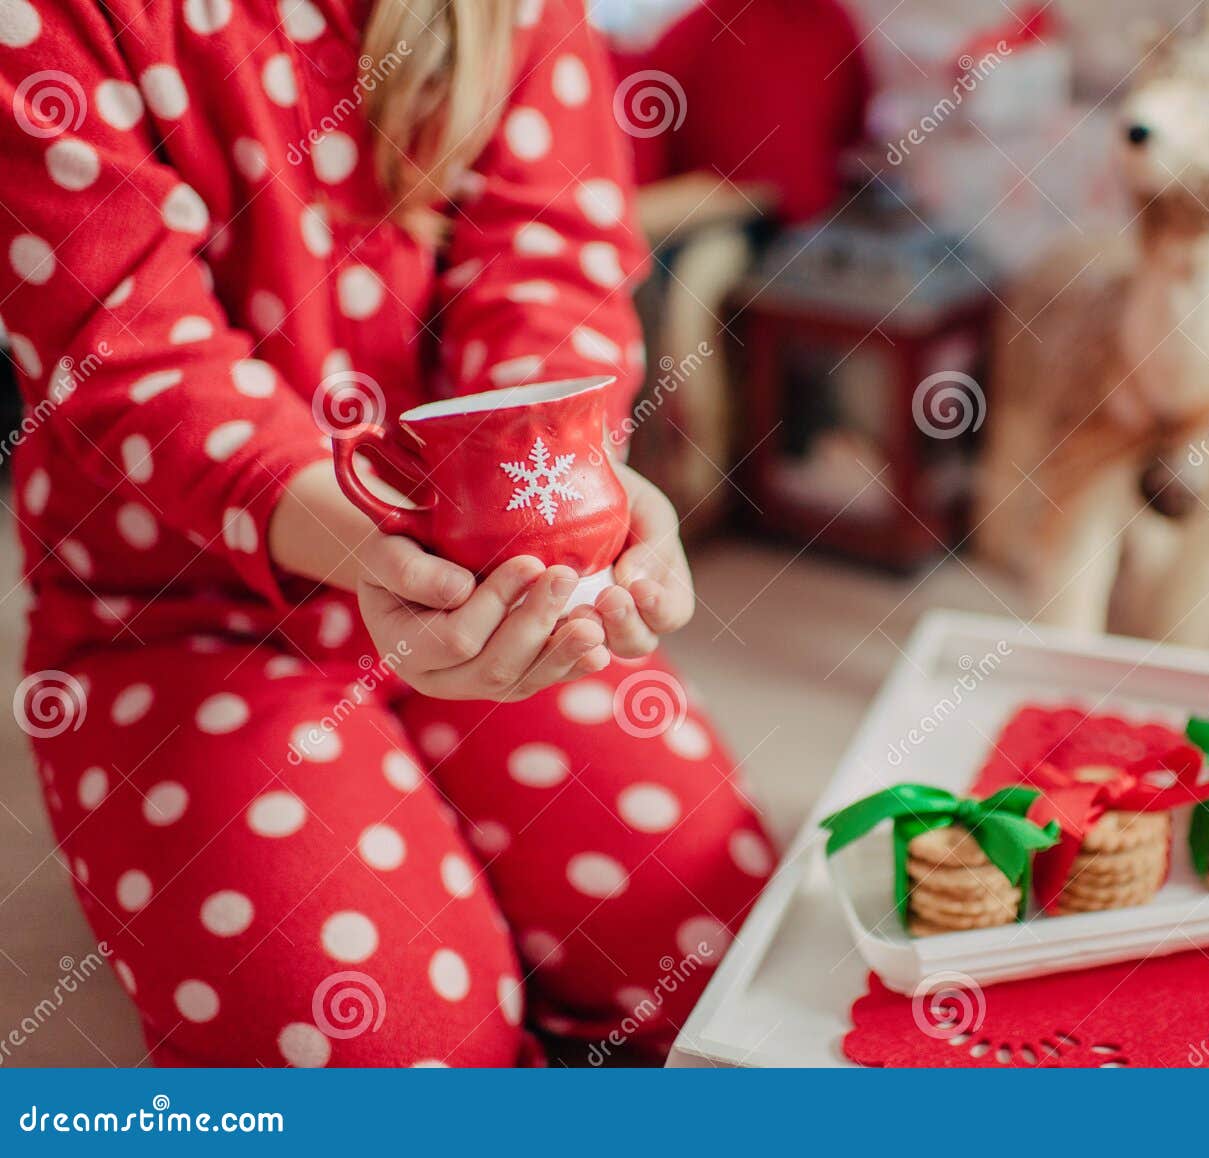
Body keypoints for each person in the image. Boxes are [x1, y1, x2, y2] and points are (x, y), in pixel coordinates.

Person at [1, 0, 772, 1066]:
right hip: (177, 611)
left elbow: (548, 265)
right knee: (379, 1054)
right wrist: (395, 551)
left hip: (478, 570)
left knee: (731, 962)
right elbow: (131, 354)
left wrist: (556, 489)